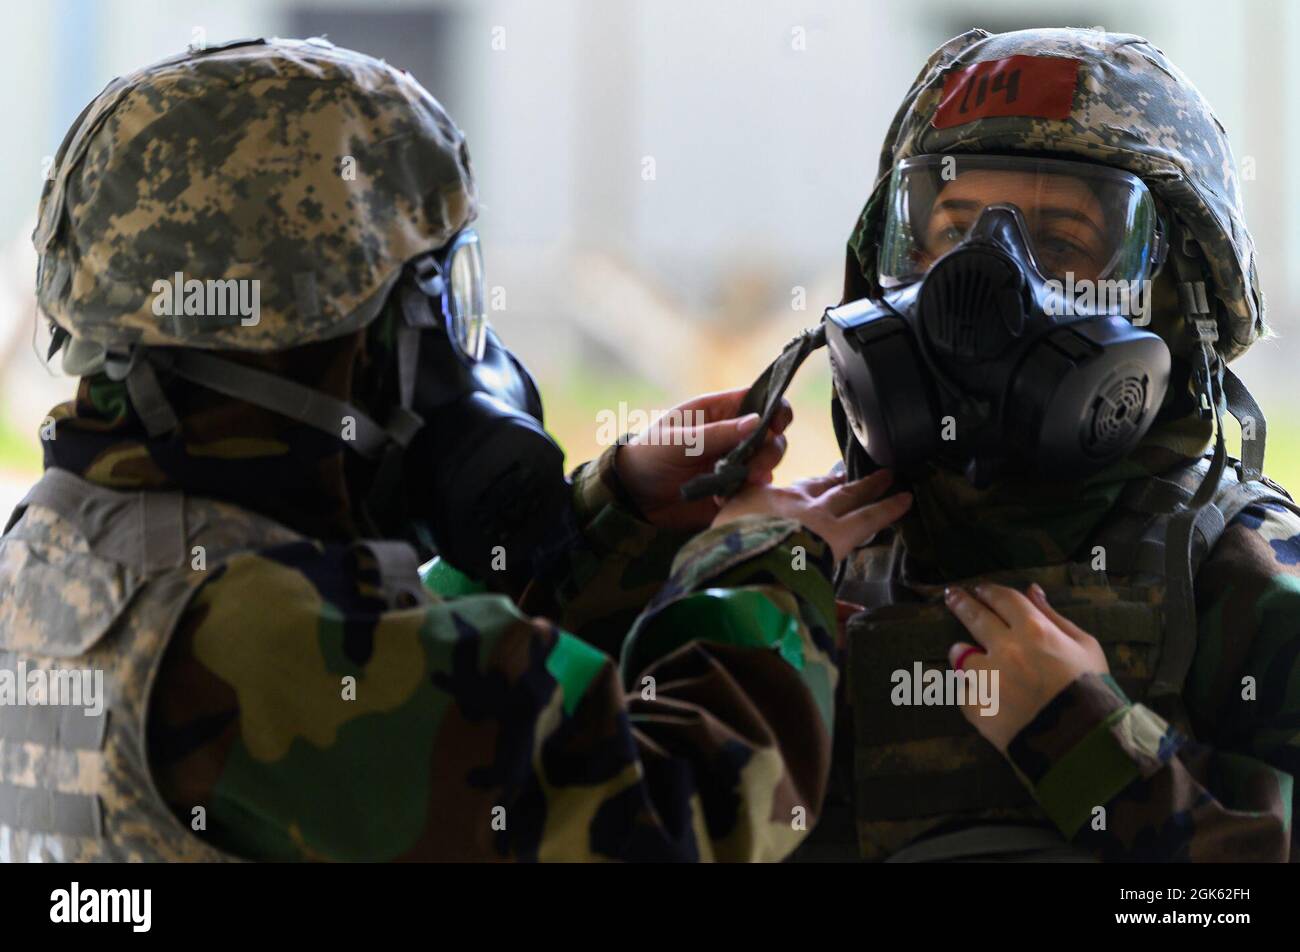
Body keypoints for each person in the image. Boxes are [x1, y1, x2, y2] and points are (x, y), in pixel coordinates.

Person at [0, 37, 911, 862]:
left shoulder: (64, 549)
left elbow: (419, 677)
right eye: (427, 305)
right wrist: (762, 569)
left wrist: (608, 519)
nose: (454, 353)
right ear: (322, 336)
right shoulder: (259, 636)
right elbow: (675, 814)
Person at [795, 26, 1300, 862]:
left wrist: (1091, 748)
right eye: (954, 237)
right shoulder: (822, 557)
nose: (986, 283)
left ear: (1180, 303)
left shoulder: (1243, 581)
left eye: (1062, 245)